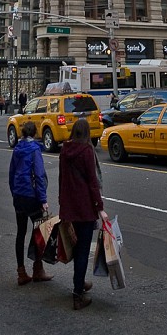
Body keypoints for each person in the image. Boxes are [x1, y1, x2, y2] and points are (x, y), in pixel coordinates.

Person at [59, 117, 106, 310]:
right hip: (85, 208)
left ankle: (80, 282)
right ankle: (77, 293)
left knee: (75, 248)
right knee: (82, 251)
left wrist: (62, 204)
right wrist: (100, 207)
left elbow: (61, 179)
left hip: (69, 207)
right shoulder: (87, 151)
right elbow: (92, 182)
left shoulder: (64, 150)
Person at [9, 120, 53, 286]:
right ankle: (37, 268)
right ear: (34, 133)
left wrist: (14, 192)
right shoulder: (34, 149)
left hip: (19, 195)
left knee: (21, 232)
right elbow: (39, 175)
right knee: (39, 232)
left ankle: (21, 271)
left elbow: (11, 173)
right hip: (31, 196)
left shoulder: (17, 149)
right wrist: (43, 199)